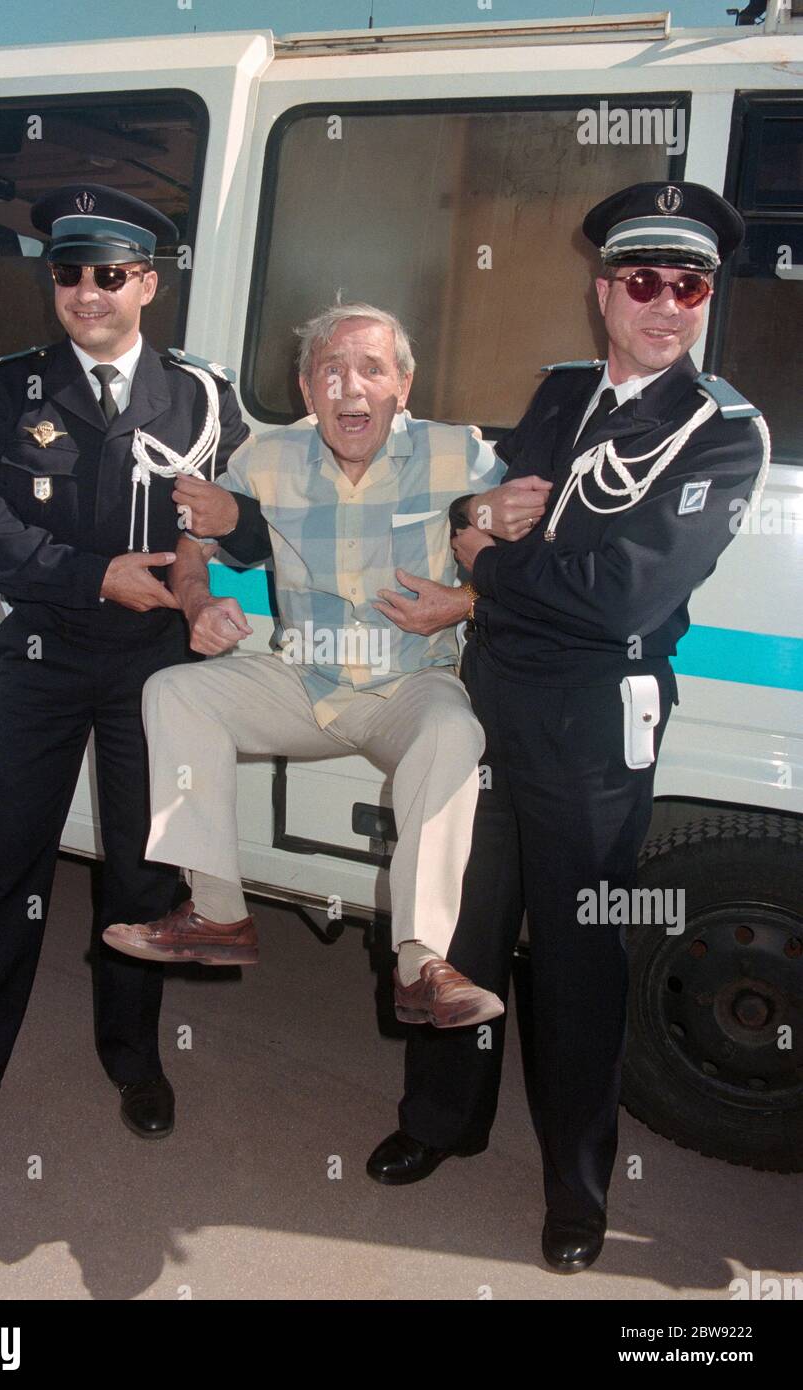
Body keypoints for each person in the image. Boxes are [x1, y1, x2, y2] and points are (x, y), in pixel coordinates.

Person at [366, 182, 770, 1273]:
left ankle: (577, 1192)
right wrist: (470, 526)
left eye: (687, 284)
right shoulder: (555, 393)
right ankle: (443, 1121)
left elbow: (622, 596)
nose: (665, 304)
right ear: (603, 294)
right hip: (490, 696)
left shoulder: (722, 432)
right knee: (457, 925)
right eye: (642, 281)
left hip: (594, 720)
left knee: (579, 962)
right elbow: (482, 500)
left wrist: (487, 564)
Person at [0, 184, 269, 1156]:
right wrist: (92, 574)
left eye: (109, 274)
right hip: (43, 659)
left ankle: (133, 1056)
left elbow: (263, 534)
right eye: (68, 273)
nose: (86, 293)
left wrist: (238, 524)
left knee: (143, 879)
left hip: (156, 675)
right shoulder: (4, 388)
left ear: (147, 281)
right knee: (0, 869)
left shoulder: (202, 396)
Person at [103, 302, 552, 1028]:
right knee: (173, 692)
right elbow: (197, 543)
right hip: (303, 680)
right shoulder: (269, 457)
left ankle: (422, 962)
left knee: (453, 732)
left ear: (403, 385)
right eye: (331, 372)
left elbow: (529, 554)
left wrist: (464, 601)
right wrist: (196, 605)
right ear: (307, 392)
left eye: (373, 369)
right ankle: (218, 915)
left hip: (409, 683)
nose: (352, 389)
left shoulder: (459, 454)